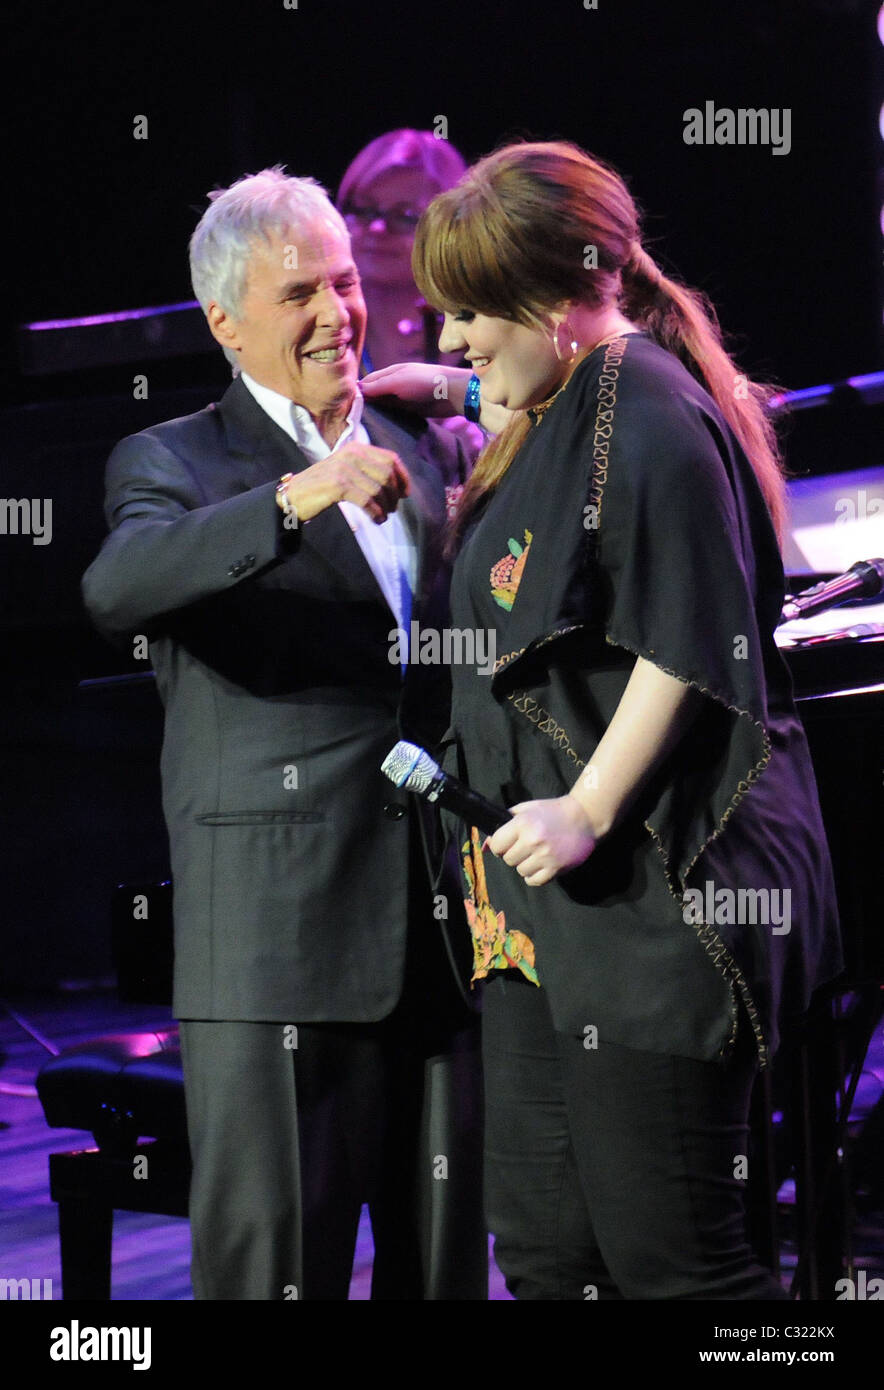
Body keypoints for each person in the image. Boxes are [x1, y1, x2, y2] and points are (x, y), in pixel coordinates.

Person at [362, 140, 844, 1300]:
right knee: (548, 1255)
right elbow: (545, 423)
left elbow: (688, 642)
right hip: (538, 927)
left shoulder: (651, 418)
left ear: (555, 295)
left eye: (469, 317)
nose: (446, 341)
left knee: (672, 1264)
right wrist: (459, 390)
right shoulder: (572, 393)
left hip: (651, 903)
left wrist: (585, 805)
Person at [81, 167, 486, 1300]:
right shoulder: (173, 460)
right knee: (273, 1278)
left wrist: (455, 392)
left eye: (346, 281)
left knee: (446, 1271)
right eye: (300, 290)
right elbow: (117, 586)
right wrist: (298, 494)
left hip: (443, 931)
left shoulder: (423, 446)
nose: (336, 311)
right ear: (225, 322)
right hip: (273, 949)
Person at [337, 129, 467, 374]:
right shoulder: (325, 328)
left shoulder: (483, 336)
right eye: (365, 209)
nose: (377, 228)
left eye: (405, 215)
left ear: (450, 228)